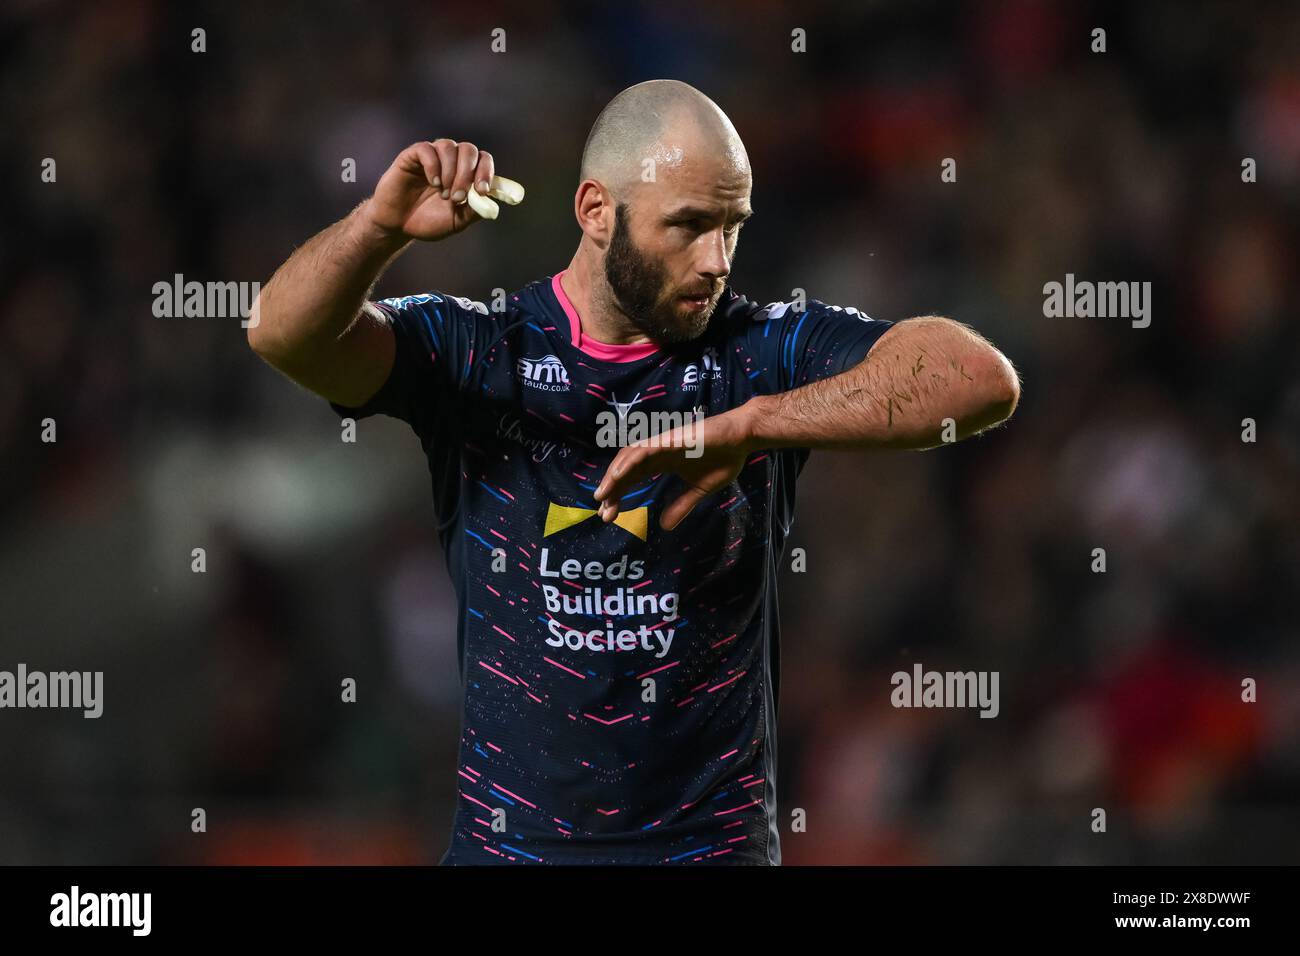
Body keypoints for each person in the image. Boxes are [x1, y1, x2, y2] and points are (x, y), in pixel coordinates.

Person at [248, 79, 1020, 865]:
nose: (716, 260)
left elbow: (978, 379)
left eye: (732, 227)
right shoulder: (482, 355)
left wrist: (750, 426)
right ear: (595, 210)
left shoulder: (757, 354)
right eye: (687, 226)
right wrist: (380, 227)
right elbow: (283, 334)